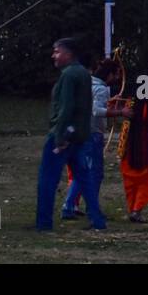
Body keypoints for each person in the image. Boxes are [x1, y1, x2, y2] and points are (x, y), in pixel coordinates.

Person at [35, 38, 107, 230]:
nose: (53, 55)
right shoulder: (83, 73)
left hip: (63, 135)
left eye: (57, 51)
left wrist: (60, 137)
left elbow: (66, 107)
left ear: (68, 54)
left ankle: (43, 223)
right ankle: (97, 220)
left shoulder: (69, 75)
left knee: (48, 179)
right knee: (84, 178)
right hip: (80, 136)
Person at [61, 58, 122, 221]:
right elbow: (96, 110)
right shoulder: (100, 89)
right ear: (109, 74)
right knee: (94, 173)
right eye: (115, 74)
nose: (116, 78)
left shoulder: (86, 84)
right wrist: (120, 112)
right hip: (92, 134)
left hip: (79, 131)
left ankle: (72, 206)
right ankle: (82, 207)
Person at [119, 94, 148, 223]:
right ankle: (136, 210)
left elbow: (125, 123)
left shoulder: (130, 102)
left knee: (130, 180)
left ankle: (132, 209)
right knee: (146, 180)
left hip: (130, 145)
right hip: (147, 147)